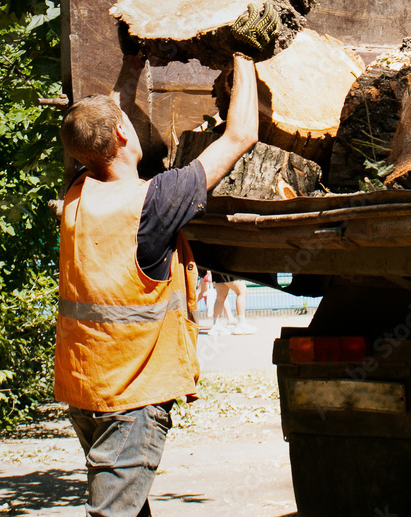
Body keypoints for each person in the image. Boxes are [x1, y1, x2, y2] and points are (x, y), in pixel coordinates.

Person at [55, 51, 258, 517]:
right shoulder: (153, 202)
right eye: (125, 118)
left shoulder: (78, 192)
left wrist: (131, 61)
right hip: (131, 396)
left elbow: (104, 119)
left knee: (128, 506)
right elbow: (241, 135)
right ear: (123, 134)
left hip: (87, 389)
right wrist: (245, 52)